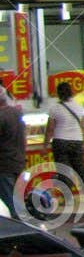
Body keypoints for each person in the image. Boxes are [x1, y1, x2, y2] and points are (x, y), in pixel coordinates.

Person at [43, 82, 84, 201]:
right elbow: (82, 127)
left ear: (58, 93)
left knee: (63, 170)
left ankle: (66, 197)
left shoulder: (55, 108)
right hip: (76, 141)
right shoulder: (79, 107)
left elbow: (50, 129)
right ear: (71, 92)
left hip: (60, 141)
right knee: (80, 168)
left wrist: (45, 144)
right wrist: (83, 142)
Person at [0, 86, 26, 215]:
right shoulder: (16, 112)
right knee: (17, 199)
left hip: (5, 165)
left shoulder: (1, 116)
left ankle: (21, 231)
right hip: (18, 161)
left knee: (11, 203)